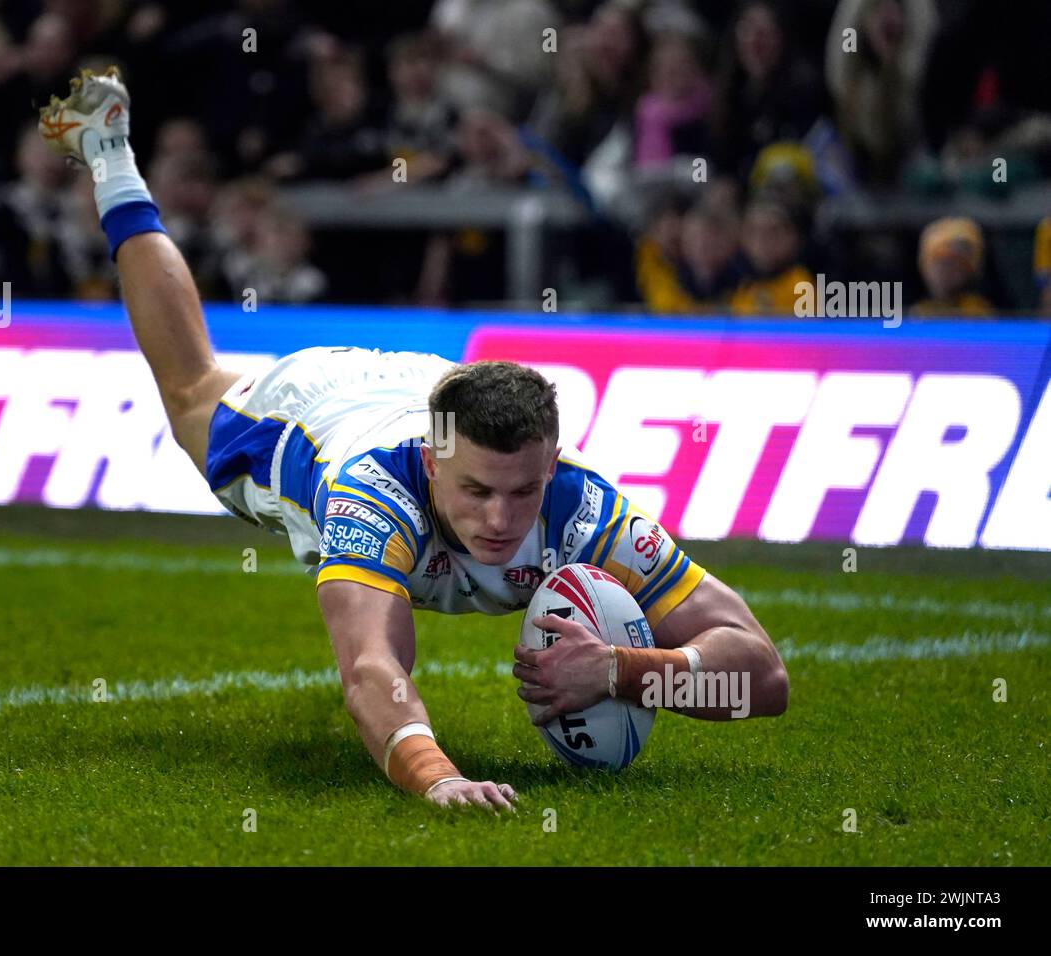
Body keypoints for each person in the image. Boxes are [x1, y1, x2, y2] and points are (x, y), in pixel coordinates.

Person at [39, 68, 789, 811]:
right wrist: (438, 776)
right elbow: (370, 671)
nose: (501, 520)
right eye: (476, 491)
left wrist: (627, 671)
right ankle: (110, 154)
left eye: (524, 490)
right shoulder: (370, 498)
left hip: (430, 384)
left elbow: (763, 676)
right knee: (188, 386)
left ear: (553, 466)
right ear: (432, 465)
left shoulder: (586, 511)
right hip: (323, 404)